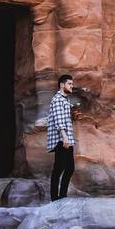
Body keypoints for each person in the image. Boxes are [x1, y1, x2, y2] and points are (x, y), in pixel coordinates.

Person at [47, 73, 76, 201]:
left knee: (69, 168)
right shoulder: (57, 99)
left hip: (67, 139)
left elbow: (65, 118)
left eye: (72, 84)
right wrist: (64, 137)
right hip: (62, 140)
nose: (72, 86)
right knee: (58, 169)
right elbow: (59, 121)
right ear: (62, 85)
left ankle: (62, 196)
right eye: (69, 84)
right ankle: (55, 198)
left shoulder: (65, 100)